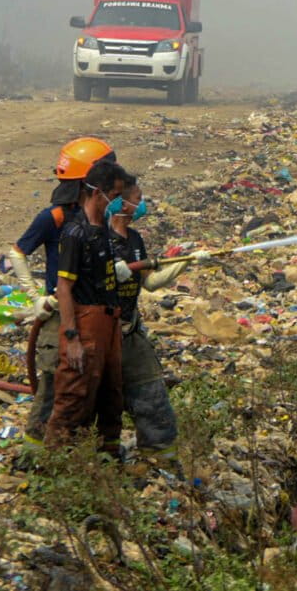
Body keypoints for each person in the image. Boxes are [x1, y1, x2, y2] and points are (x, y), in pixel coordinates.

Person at [5, 136, 116, 447]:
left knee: (93, 380)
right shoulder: (54, 217)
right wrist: (35, 298)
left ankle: (79, 449)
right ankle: (34, 455)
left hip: (95, 312)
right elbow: (17, 253)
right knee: (54, 383)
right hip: (58, 314)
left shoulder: (104, 215)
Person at [107, 176, 205, 462]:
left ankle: (160, 462)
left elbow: (149, 283)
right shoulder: (99, 238)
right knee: (98, 401)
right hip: (100, 333)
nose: (141, 203)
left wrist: (188, 260)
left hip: (130, 331)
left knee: (152, 394)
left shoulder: (135, 239)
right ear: (119, 202)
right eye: (136, 198)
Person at [45, 158, 130, 456]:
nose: (119, 202)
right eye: (115, 195)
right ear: (98, 193)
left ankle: (107, 462)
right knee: (74, 395)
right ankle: (58, 464)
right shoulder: (75, 233)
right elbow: (64, 287)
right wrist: (72, 338)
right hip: (87, 323)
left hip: (109, 323)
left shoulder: (103, 231)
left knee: (111, 396)